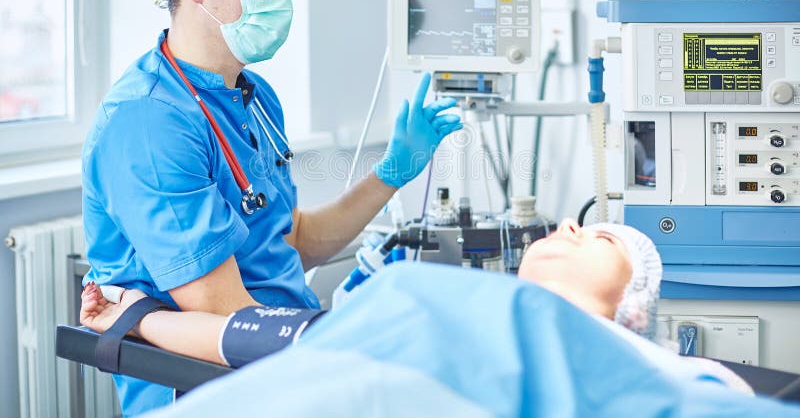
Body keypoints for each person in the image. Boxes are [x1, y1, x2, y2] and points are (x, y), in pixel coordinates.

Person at [81, 0, 462, 415]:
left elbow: (292, 240)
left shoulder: (256, 98)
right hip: (214, 383)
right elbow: (220, 311)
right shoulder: (147, 121)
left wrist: (392, 172)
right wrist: (339, 349)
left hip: (284, 350)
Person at [80, 219, 661, 367]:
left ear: (631, 303)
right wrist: (134, 316)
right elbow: (250, 337)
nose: (571, 225)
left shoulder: (658, 368)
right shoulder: (444, 311)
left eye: (603, 236)